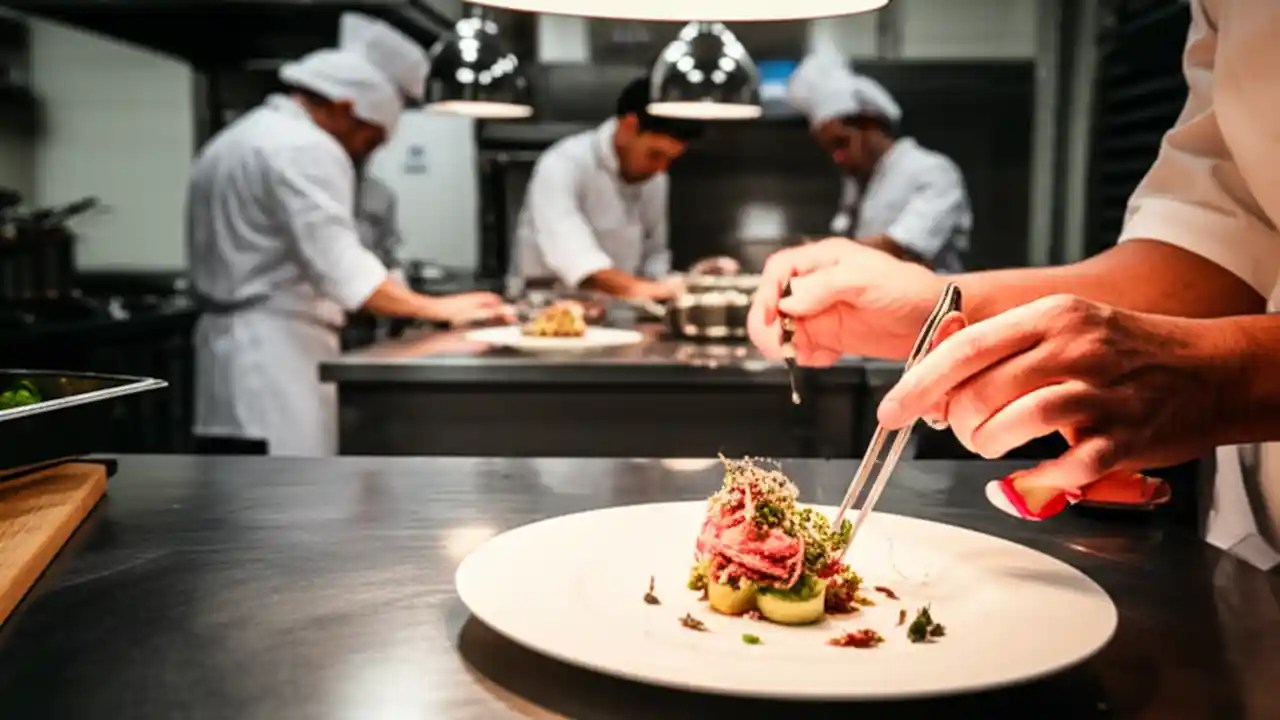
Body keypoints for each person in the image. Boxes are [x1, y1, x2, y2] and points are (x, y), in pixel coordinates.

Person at [748, 0, 1280, 569]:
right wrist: (937, 307)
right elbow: (1220, 247)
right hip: (1255, 542)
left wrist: (1229, 377)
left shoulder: (926, 171)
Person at [187, 49, 508, 457]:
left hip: (228, 352)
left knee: (241, 492)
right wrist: (441, 309)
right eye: (368, 139)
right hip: (276, 357)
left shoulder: (242, 136)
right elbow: (342, 268)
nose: (364, 153)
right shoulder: (304, 147)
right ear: (343, 109)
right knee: (291, 496)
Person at [510, 77, 703, 301]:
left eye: (670, 159)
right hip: (545, 308)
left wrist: (683, 281)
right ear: (629, 126)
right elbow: (573, 256)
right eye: (655, 154)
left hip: (620, 313)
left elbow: (654, 255)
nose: (661, 168)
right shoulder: (563, 162)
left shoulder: (655, 178)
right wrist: (639, 289)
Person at [787, 48, 972, 272]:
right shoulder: (861, 182)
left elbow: (903, 246)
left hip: (933, 305)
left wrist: (823, 252)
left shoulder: (933, 171)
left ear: (871, 126)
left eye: (841, 143)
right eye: (830, 149)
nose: (836, 157)